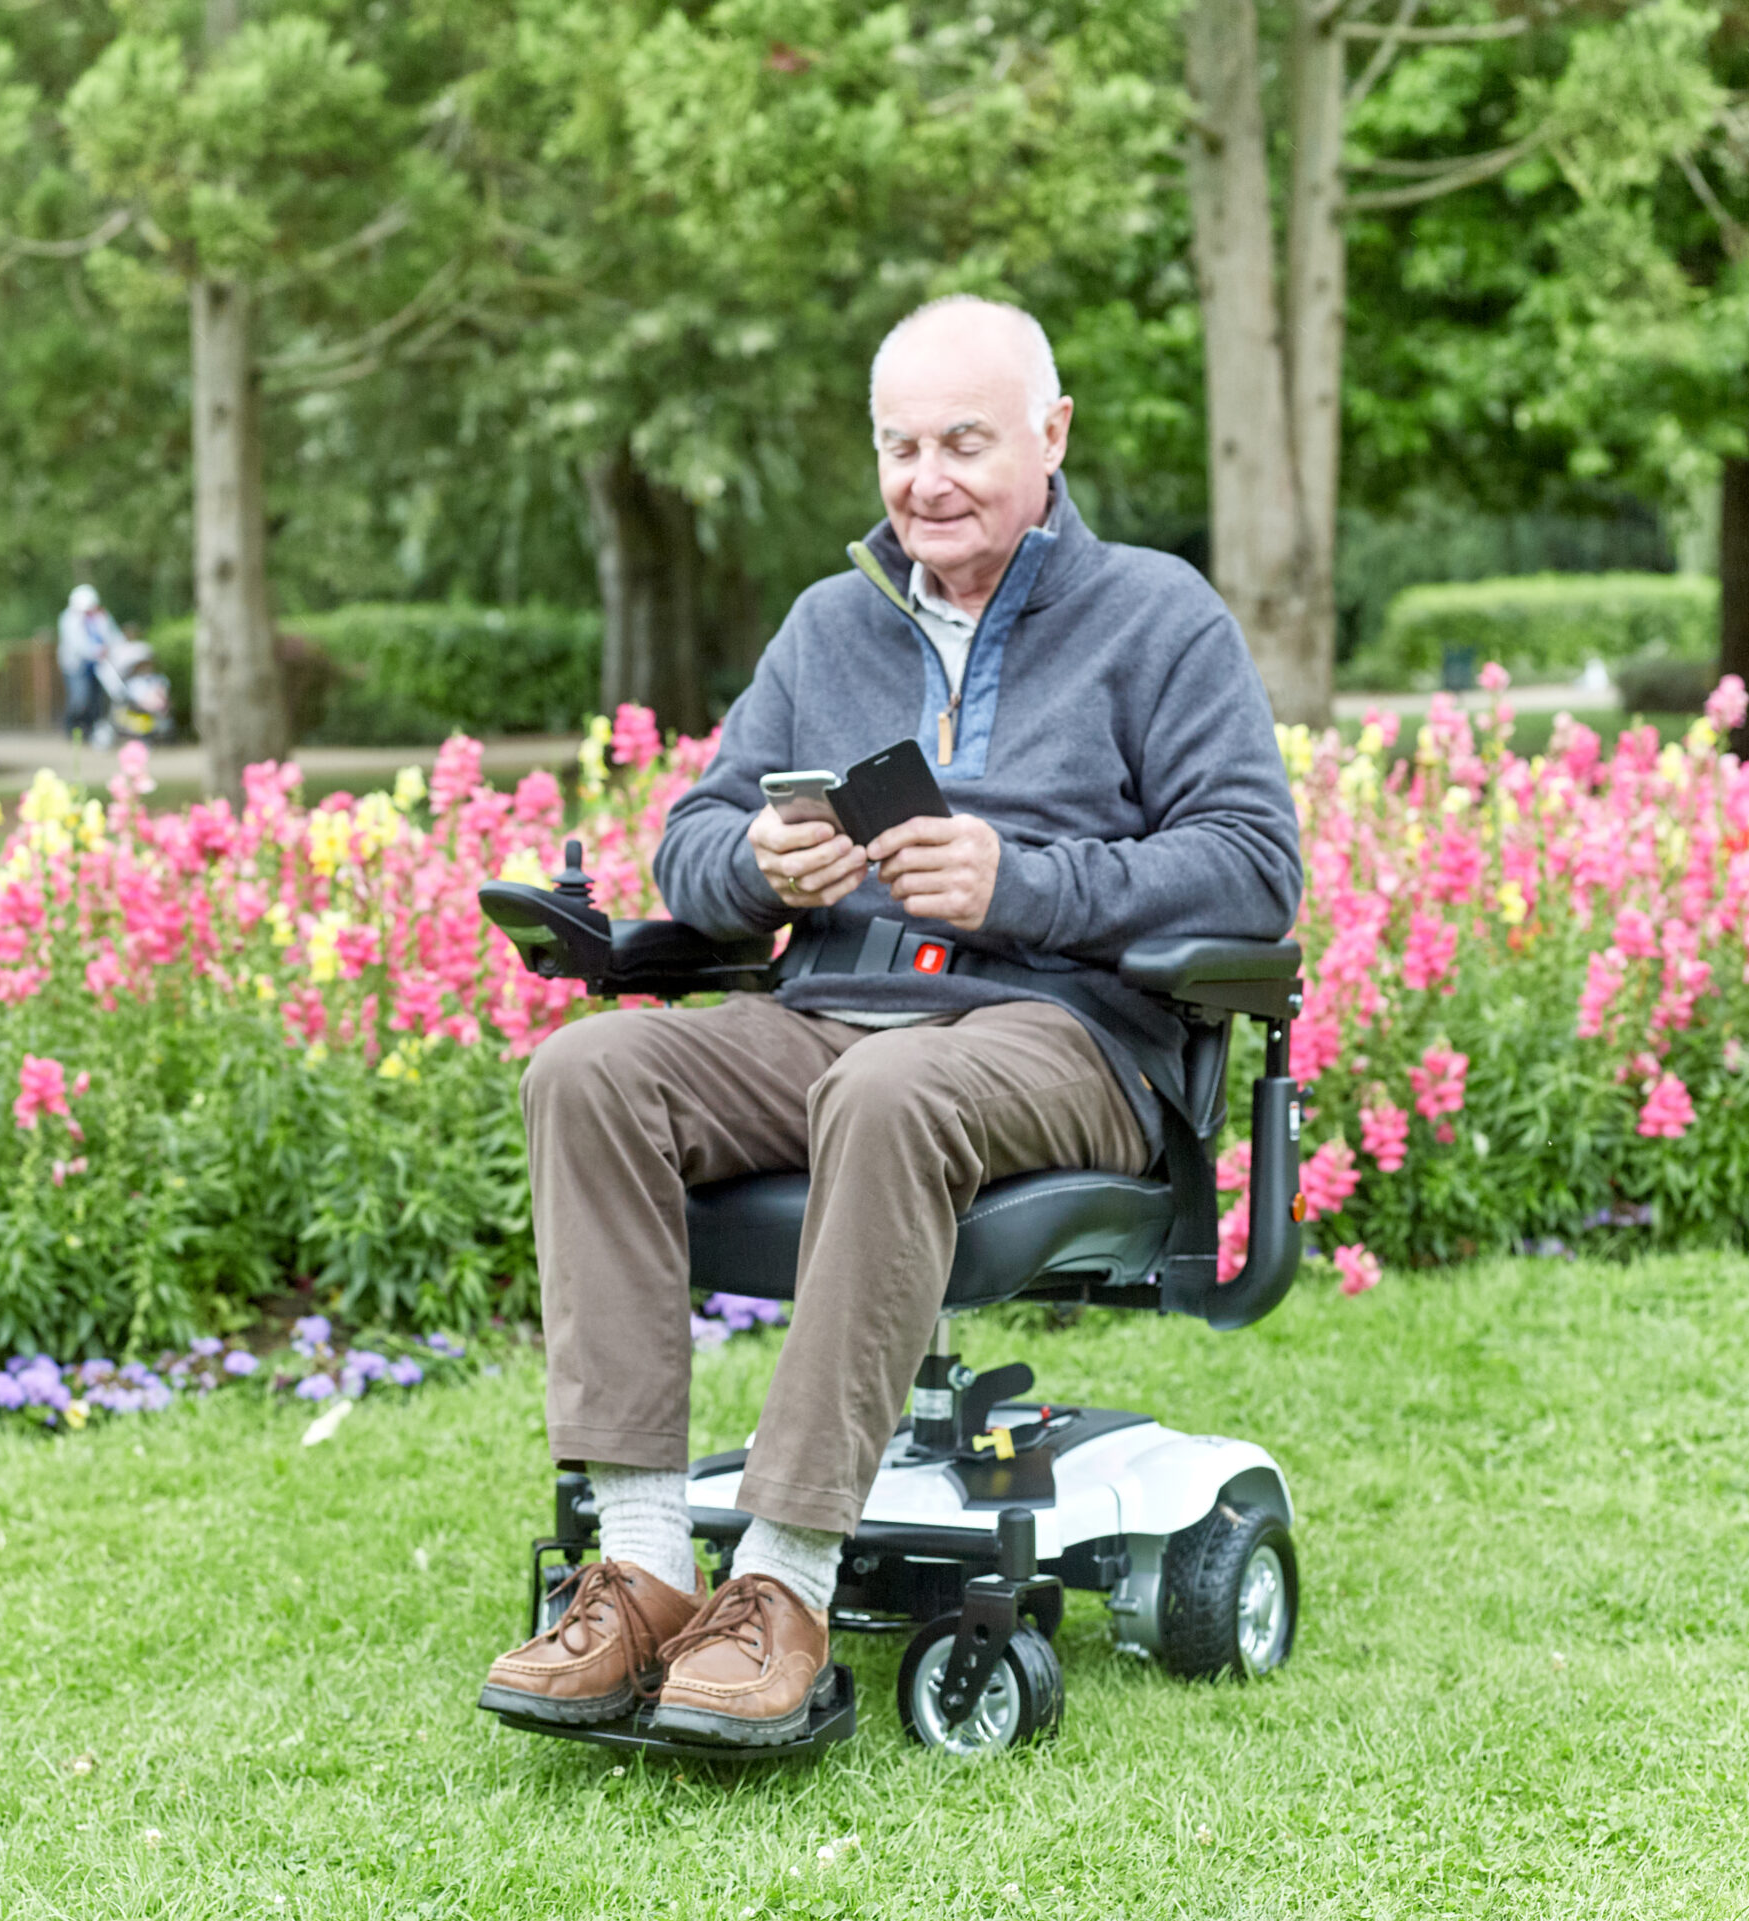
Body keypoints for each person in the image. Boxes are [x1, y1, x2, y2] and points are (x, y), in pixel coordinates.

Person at [479, 296, 1305, 1745]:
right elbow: (697, 835)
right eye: (901, 445)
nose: (926, 479)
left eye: (965, 442)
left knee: (894, 1093)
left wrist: (1019, 880)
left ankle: (786, 1582)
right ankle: (644, 1571)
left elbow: (1252, 866)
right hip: (834, 1010)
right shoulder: (831, 625)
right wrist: (755, 865)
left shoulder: (1158, 619)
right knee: (590, 1069)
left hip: (1063, 1037)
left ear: (1052, 437)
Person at [57, 584, 122, 741]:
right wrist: (96, 651)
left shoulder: (102, 616)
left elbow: (114, 636)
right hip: (77, 667)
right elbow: (76, 644)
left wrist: (114, 649)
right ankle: (72, 729)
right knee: (80, 699)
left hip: (100, 666)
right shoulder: (68, 618)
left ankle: (89, 731)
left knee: (96, 700)